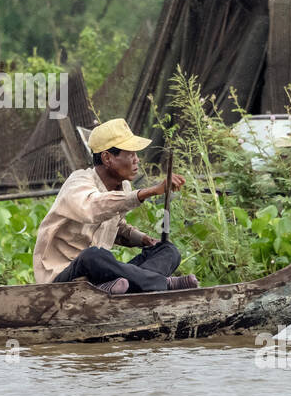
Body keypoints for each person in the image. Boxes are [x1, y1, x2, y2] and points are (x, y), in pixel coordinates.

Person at [33, 118, 198, 294]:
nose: (137, 160)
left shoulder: (123, 186)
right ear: (107, 158)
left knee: (168, 250)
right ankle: (161, 284)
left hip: (102, 277)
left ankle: (116, 288)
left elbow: (115, 226)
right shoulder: (78, 182)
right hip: (65, 278)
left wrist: (142, 239)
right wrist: (148, 192)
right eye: (131, 154)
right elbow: (94, 208)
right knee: (93, 256)